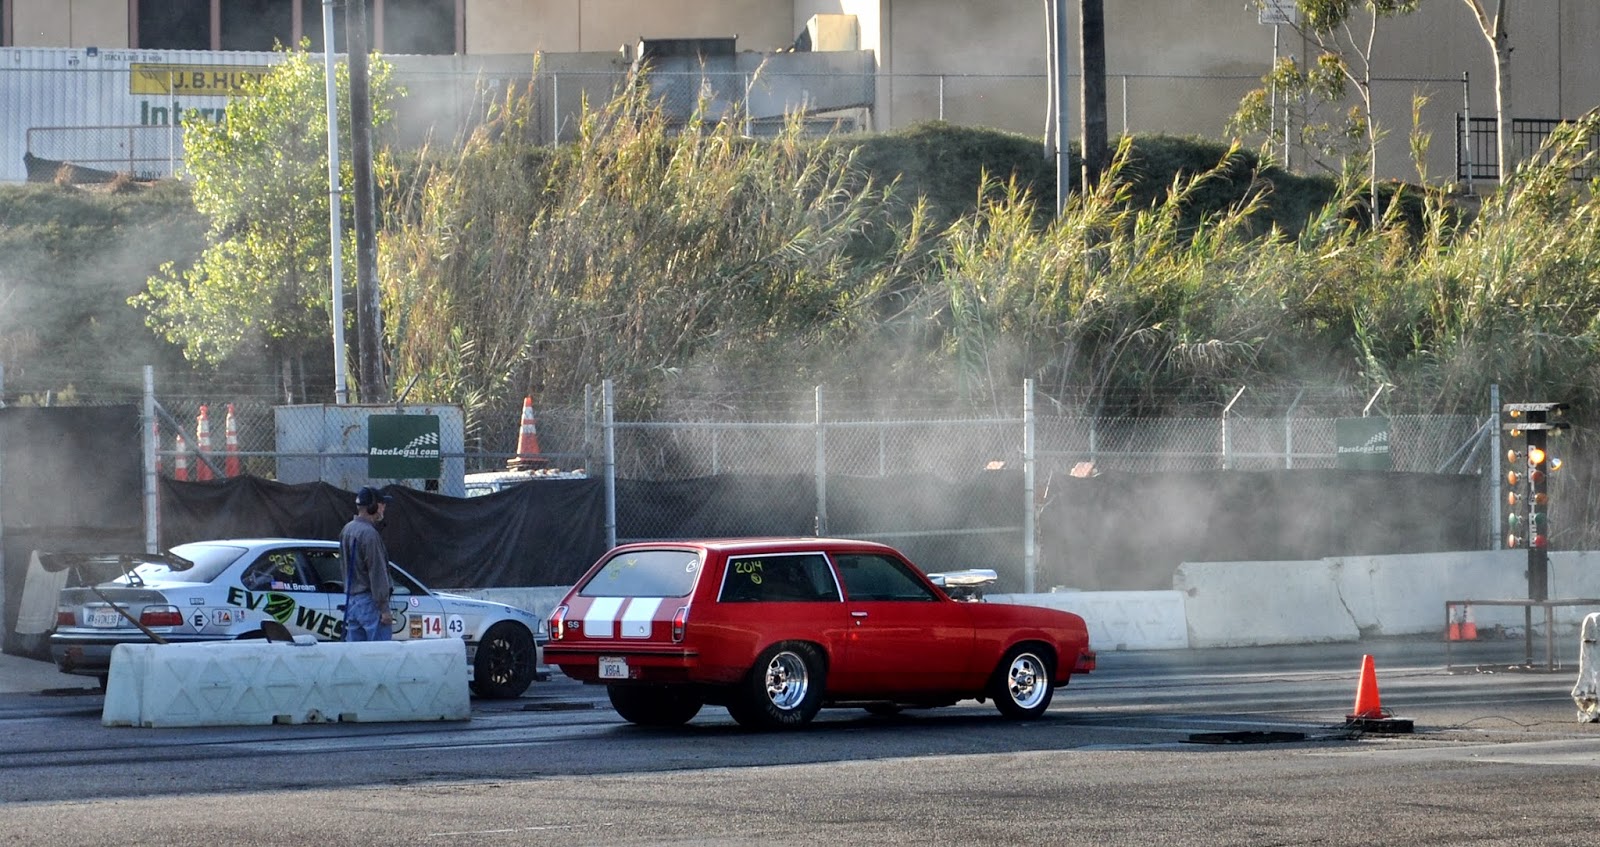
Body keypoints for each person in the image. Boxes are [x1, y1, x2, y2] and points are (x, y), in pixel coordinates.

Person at [340, 486, 394, 641]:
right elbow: (377, 572)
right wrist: (384, 609)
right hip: (371, 603)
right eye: (382, 504)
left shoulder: (347, 530)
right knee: (380, 656)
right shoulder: (369, 534)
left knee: (357, 656)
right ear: (373, 506)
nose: (384, 508)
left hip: (352, 601)